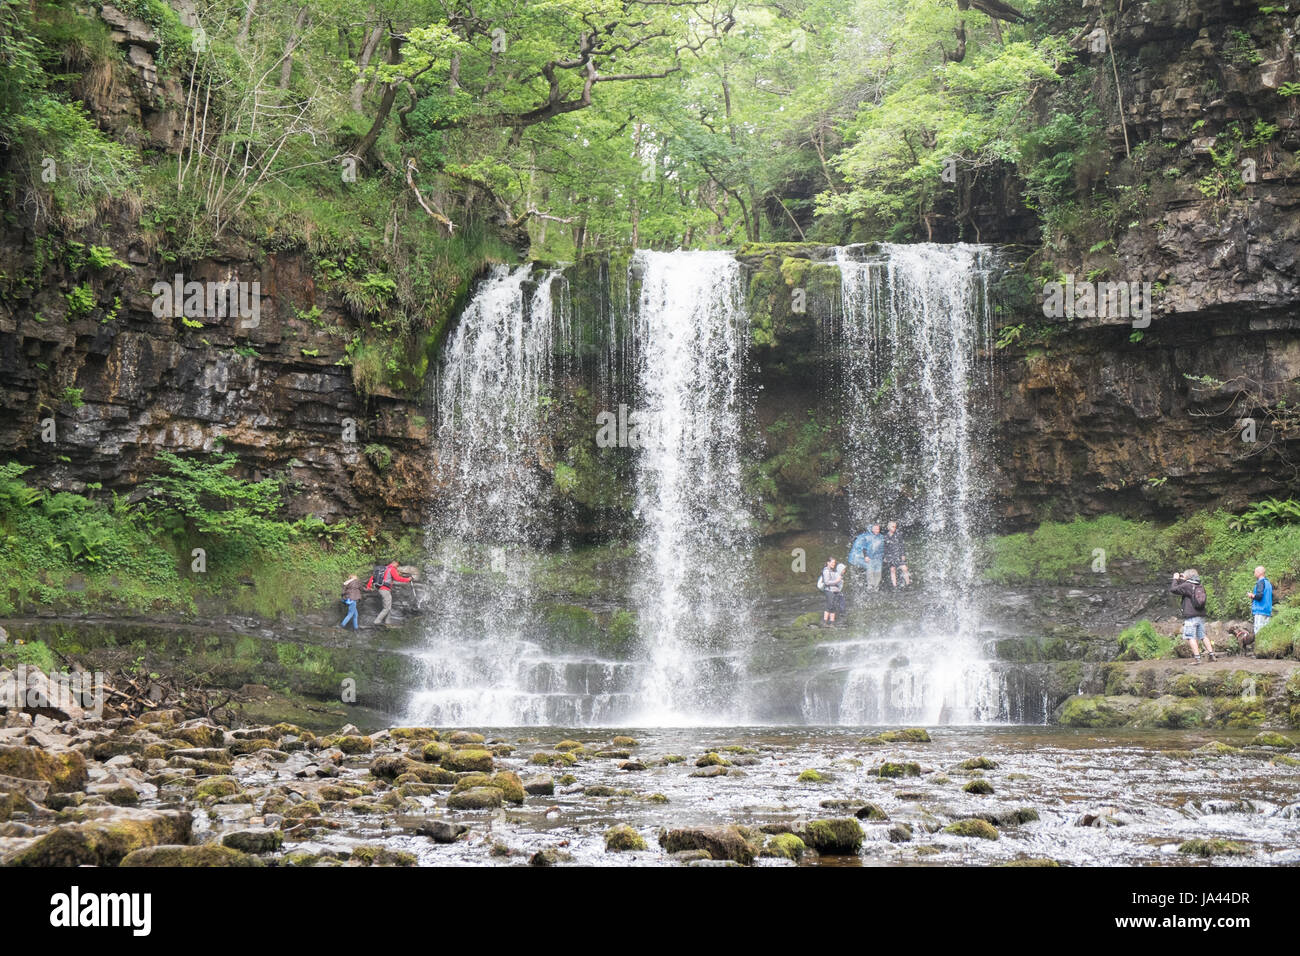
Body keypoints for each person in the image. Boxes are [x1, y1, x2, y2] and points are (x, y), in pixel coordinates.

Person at [1171, 568, 1216, 663]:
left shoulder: (1187, 585)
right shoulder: (1199, 585)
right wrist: (1183, 579)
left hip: (1191, 616)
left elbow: (1174, 589)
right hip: (1200, 615)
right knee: (1203, 635)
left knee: (1190, 636)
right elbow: (1186, 588)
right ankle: (1212, 655)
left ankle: (1197, 658)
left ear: (1188, 576)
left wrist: (1175, 579)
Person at [367, 560, 412, 628]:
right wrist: (408, 579)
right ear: (394, 563)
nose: (397, 567)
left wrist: (368, 586)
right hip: (385, 589)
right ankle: (377, 621)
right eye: (397, 565)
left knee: (388, 606)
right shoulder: (392, 569)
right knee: (387, 608)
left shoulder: (383, 568)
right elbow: (397, 578)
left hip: (380, 589)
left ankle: (388, 622)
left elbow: (373, 577)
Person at [816, 557, 844, 627]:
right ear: (828, 562)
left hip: (835, 590)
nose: (833, 564)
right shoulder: (826, 571)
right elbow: (827, 582)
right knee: (829, 605)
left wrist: (840, 581)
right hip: (829, 590)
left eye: (834, 563)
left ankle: (832, 623)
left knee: (834, 606)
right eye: (832, 562)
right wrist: (837, 581)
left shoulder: (833, 570)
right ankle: (824, 622)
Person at [1247, 565, 1273, 640]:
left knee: (1258, 631)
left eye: (1255, 572)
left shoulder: (1260, 583)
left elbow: (1259, 596)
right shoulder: (1268, 583)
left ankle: (1258, 648)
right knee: (1266, 631)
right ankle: (1264, 648)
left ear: (1259, 573)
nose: (1254, 574)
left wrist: (1251, 595)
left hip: (1260, 610)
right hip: (1267, 610)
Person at [883, 521, 910, 588]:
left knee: (904, 568)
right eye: (893, 526)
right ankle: (894, 585)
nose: (894, 528)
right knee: (892, 569)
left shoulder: (898, 534)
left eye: (895, 527)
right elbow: (885, 547)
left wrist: (903, 554)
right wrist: (885, 557)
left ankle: (908, 583)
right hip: (890, 555)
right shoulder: (886, 536)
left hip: (898, 554)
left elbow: (902, 545)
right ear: (889, 527)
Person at [865, 523, 884, 590]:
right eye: (875, 529)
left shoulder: (882, 537)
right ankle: (870, 585)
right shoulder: (868, 537)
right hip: (870, 557)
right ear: (872, 529)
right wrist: (866, 556)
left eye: (878, 529)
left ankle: (876, 586)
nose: (876, 530)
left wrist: (884, 556)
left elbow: (884, 547)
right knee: (870, 572)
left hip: (879, 558)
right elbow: (864, 547)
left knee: (878, 572)